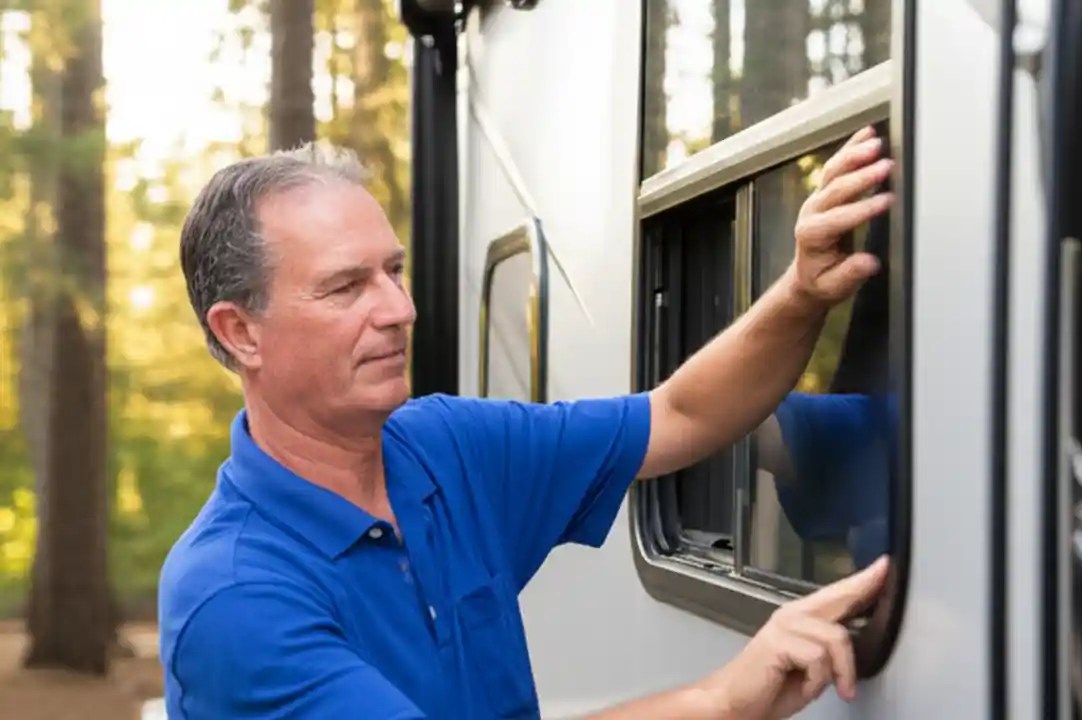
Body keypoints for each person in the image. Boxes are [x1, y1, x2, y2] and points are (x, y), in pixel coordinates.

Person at [157, 124, 897, 720]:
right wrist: (723, 699)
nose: (398, 310)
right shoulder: (232, 597)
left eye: (394, 271)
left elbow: (679, 414)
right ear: (240, 332)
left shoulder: (444, 448)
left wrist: (802, 292)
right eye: (347, 287)